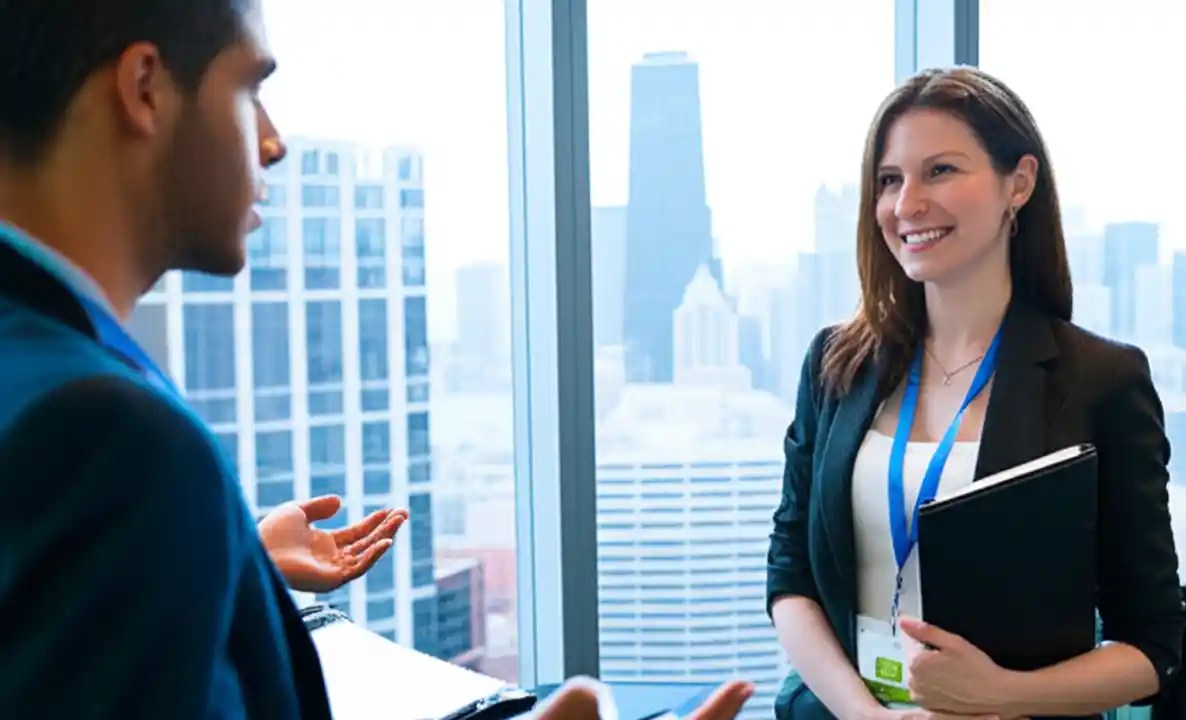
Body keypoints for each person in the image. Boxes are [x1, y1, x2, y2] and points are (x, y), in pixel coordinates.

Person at [0, 2, 754, 719]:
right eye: (249, 89)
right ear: (144, 89)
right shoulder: (109, 438)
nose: (272, 140)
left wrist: (230, 561)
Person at [766, 67, 1185, 720]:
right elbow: (791, 577)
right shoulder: (835, 365)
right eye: (889, 179)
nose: (907, 204)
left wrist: (1000, 695)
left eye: (940, 171)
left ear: (1017, 183)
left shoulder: (1101, 379)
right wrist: (865, 715)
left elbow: (1152, 646)